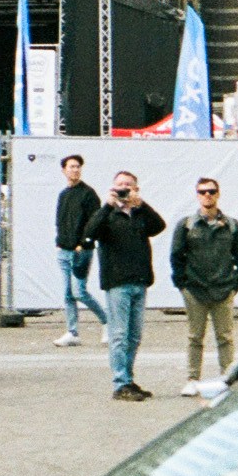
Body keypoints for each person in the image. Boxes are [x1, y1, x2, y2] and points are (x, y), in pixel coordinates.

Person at [84, 168, 163, 400]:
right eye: (119, 185)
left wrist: (141, 205)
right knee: (118, 335)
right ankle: (120, 383)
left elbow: (159, 226)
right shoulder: (107, 215)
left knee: (134, 336)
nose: (123, 189)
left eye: (128, 186)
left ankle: (128, 378)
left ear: (136, 189)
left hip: (140, 280)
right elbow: (89, 232)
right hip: (117, 281)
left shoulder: (139, 214)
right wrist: (107, 205)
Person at [169, 175, 238, 394]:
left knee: (225, 336)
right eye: (203, 192)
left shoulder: (231, 225)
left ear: (218, 194)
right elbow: (176, 256)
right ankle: (192, 378)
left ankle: (227, 377)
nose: (207, 195)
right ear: (197, 195)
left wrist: (237, 284)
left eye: (211, 191)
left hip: (223, 289)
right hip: (194, 290)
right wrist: (183, 284)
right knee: (195, 336)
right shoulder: (186, 225)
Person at [52, 154, 108, 345]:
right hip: (64, 249)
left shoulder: (88, 194)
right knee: (68, 293)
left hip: (81, 250)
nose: (75, 170)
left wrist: (83, 243)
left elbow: (95, 221)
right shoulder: (63, 194)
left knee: (79, 292)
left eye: (77, 166)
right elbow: (60, 220)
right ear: (64, 170)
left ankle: (107, 321)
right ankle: (72, 332)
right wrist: (59, 242)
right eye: (71, 166)